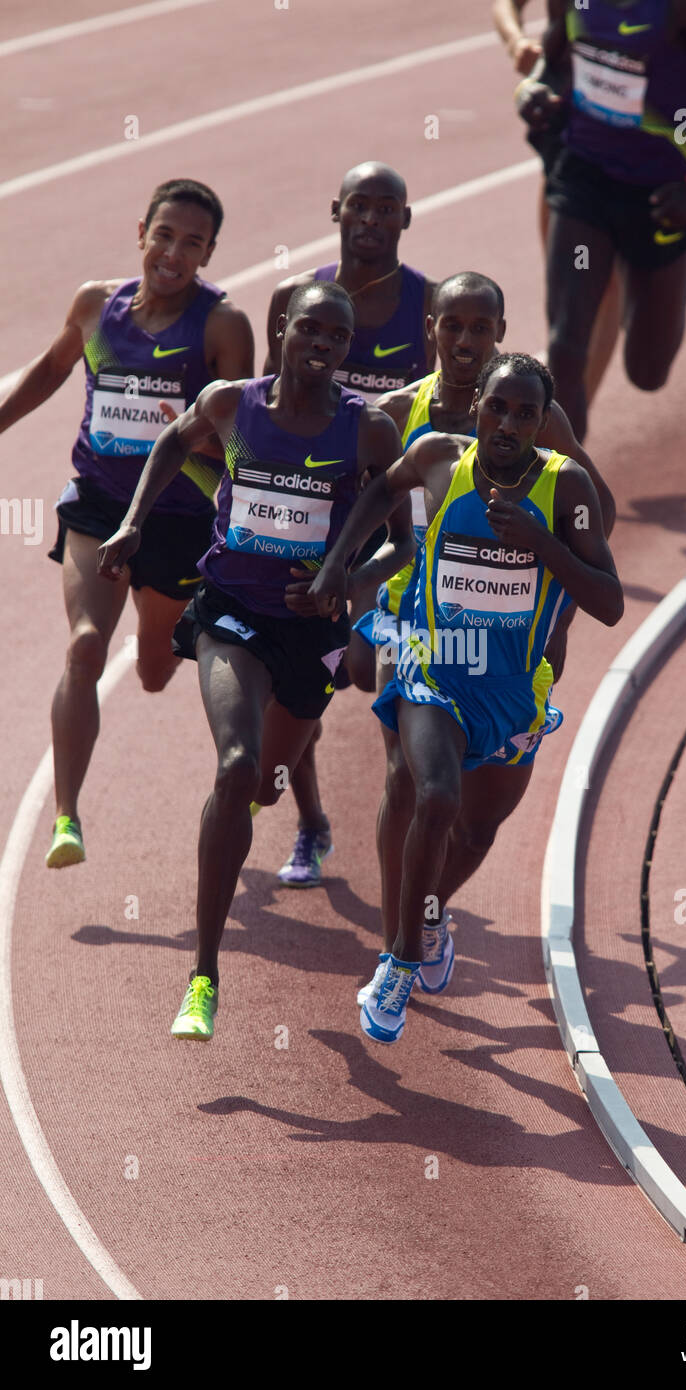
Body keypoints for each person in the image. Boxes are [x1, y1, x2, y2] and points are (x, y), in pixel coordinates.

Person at [96, 282, 408, 1040]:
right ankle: (203, 973)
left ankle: (309, 809)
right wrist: (134, 522)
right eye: (310, 329)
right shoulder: (235, 404)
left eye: (338, 338)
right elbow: (174, 441)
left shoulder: (366, 432)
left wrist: (348, 579)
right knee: (235, 768)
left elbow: (407, 539)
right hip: (230, 612)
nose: (324, 345)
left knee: (266, 779)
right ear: (282, 329)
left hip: (310, 634)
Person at [309, 353, 624, 1043]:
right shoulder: (436, 460)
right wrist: (340, 568)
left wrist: (544, 544)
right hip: (435, 664)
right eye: (496, 407)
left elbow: (609, 602)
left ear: (545, 425)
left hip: (511, 688)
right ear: (475, 403)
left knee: (478, 831)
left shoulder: (564, 486)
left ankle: (429, 911)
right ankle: (398, 962)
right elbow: (378, 495)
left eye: (524, 414)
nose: (507, 423)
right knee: (436, 796)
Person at [0, 178, 254, 868]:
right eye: (164, 235)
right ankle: (67, 818)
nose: (173, 253)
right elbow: (52, 370)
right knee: (84, 646)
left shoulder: (222, 325)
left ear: (208, 253)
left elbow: (245, 441)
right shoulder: (94, 306)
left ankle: (155, 641)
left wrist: (197, 442)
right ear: (140, 231)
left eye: (192, 243)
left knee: (149, 670)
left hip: (177, 516)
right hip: (99, 502)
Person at [262, 162, 436, 888]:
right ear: (336, 210)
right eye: (357, 205)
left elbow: (442, 399)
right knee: (293, 679)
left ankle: (416, 841)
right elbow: (264, 402)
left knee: (366, 677)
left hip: (390, 517)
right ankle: (311, 823)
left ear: (405, 218)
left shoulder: (428, 303)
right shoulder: (297, 300)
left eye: (384, 207)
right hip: (305, 512)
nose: (369, 219)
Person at [519, 0, 686, 441]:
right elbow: (554, 62)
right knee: (567, 344)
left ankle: (635, 272)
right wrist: (532, 90)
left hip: (660, 198)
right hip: (582, 182)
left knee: (648, 371)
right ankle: (563, 487)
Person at [493, 0, 623, 407]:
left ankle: (575, 422)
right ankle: (567, 411)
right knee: (566, 284)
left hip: (633, 137)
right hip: (568, 128)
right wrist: (517, 42)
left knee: (606, 286)